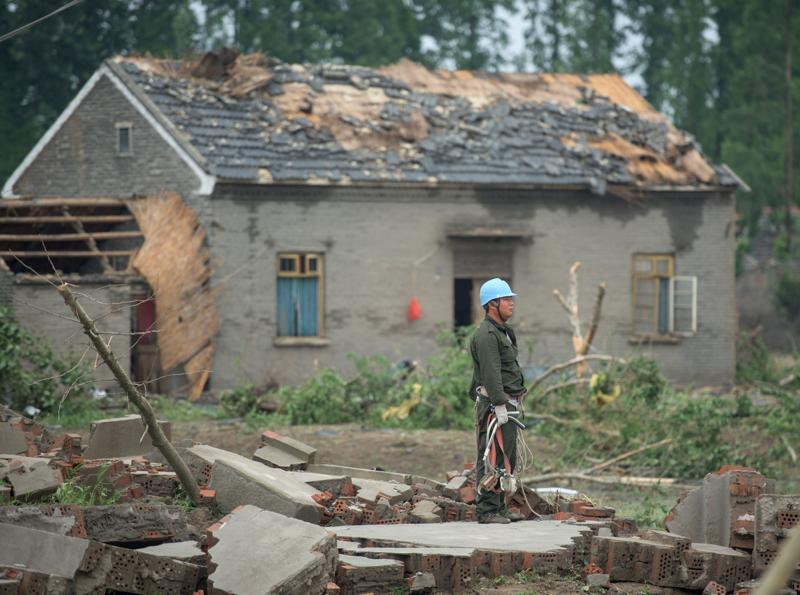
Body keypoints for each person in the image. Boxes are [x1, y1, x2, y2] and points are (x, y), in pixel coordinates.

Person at [470, 278, 527, 524]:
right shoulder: (486, 335)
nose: (512, 303)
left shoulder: (502, 331)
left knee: (507, 457)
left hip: (507, 404)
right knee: (491, 457)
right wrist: (499, 404)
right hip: (496, 406)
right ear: (492, 304)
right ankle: (486, 511)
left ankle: (501, 508)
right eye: (506, 299)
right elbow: (491, 373)